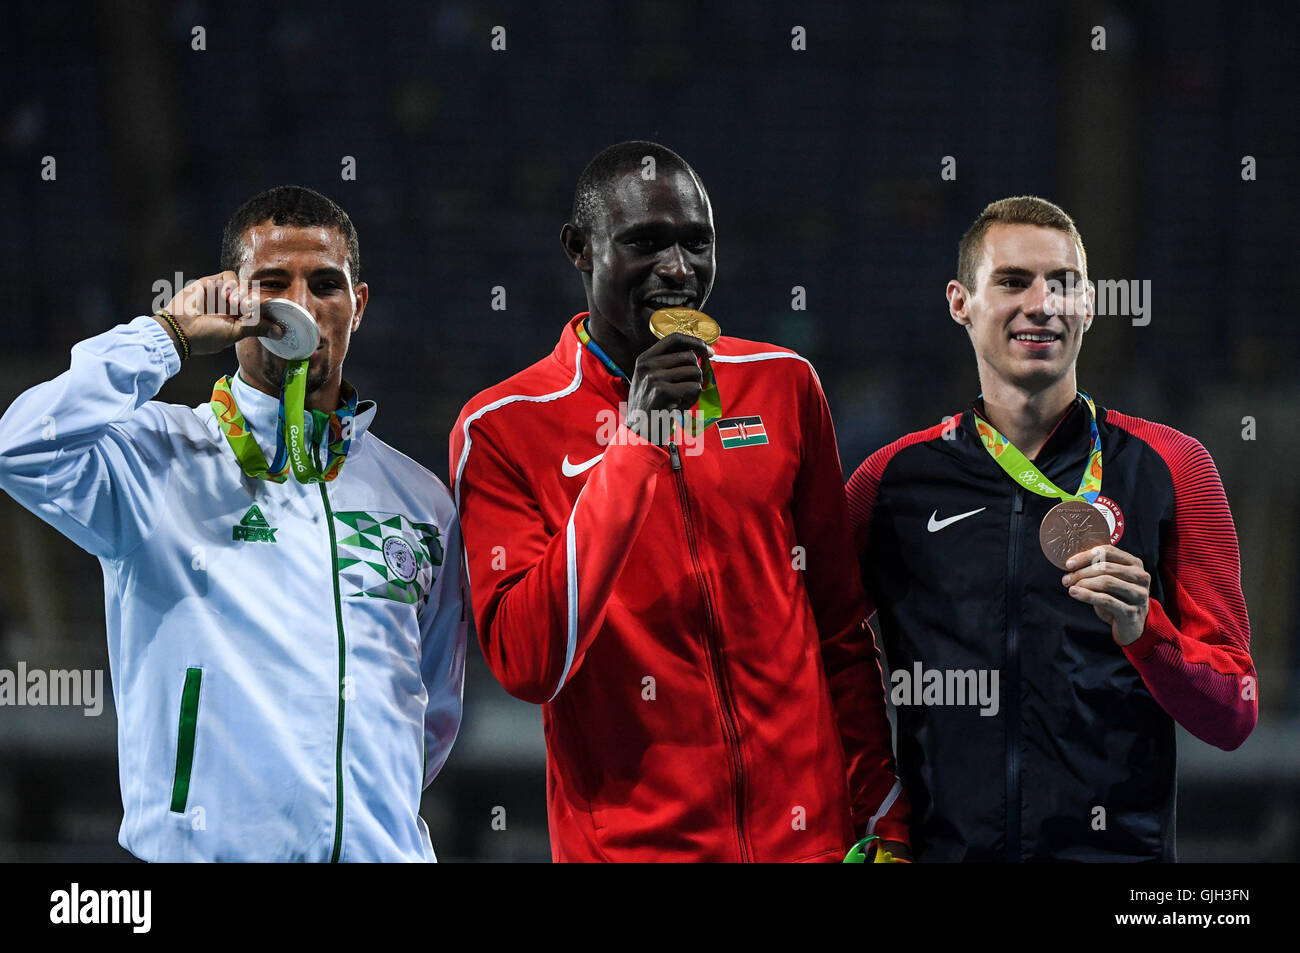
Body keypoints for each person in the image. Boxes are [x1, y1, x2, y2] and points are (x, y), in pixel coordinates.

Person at [451, 141, 908, 862]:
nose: (677, 268)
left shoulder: (783, 386)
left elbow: (842, 635)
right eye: (645, 243)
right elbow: (527, 660)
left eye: (698, 243)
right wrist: (635, 444)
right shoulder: (504, 425)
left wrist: (887, 817)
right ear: (579, 247)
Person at [0, 185, 467, 861]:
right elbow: (20, 447)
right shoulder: (155, 458)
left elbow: (428, 718)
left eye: (325, 284)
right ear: (235, 301)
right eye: (272, 283)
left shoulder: (421, 500)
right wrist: (165, 338)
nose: (300, 306)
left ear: (357, 306)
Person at [846, 195, 1256, 861]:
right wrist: (879, 807)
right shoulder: (889, 484)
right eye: (1012, 281)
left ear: (1088, 306)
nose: (1042, 303)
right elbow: (826, 659)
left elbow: (1234, 713)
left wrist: (1145, 632)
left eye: (1063, 283)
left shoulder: (1174, 467)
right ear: (960, 302)